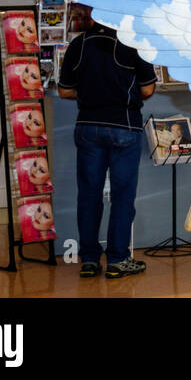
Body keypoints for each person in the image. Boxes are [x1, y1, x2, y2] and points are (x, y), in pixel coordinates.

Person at [58, 20, 157, 280]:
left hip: (88, 127)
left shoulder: (78, 44)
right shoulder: (132, 43)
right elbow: (147, 88)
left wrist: (90, 91)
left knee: (88, 196)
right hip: (124, 126)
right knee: (122, 197)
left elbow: (64, 90)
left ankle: (89, 260)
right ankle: (118, 259)